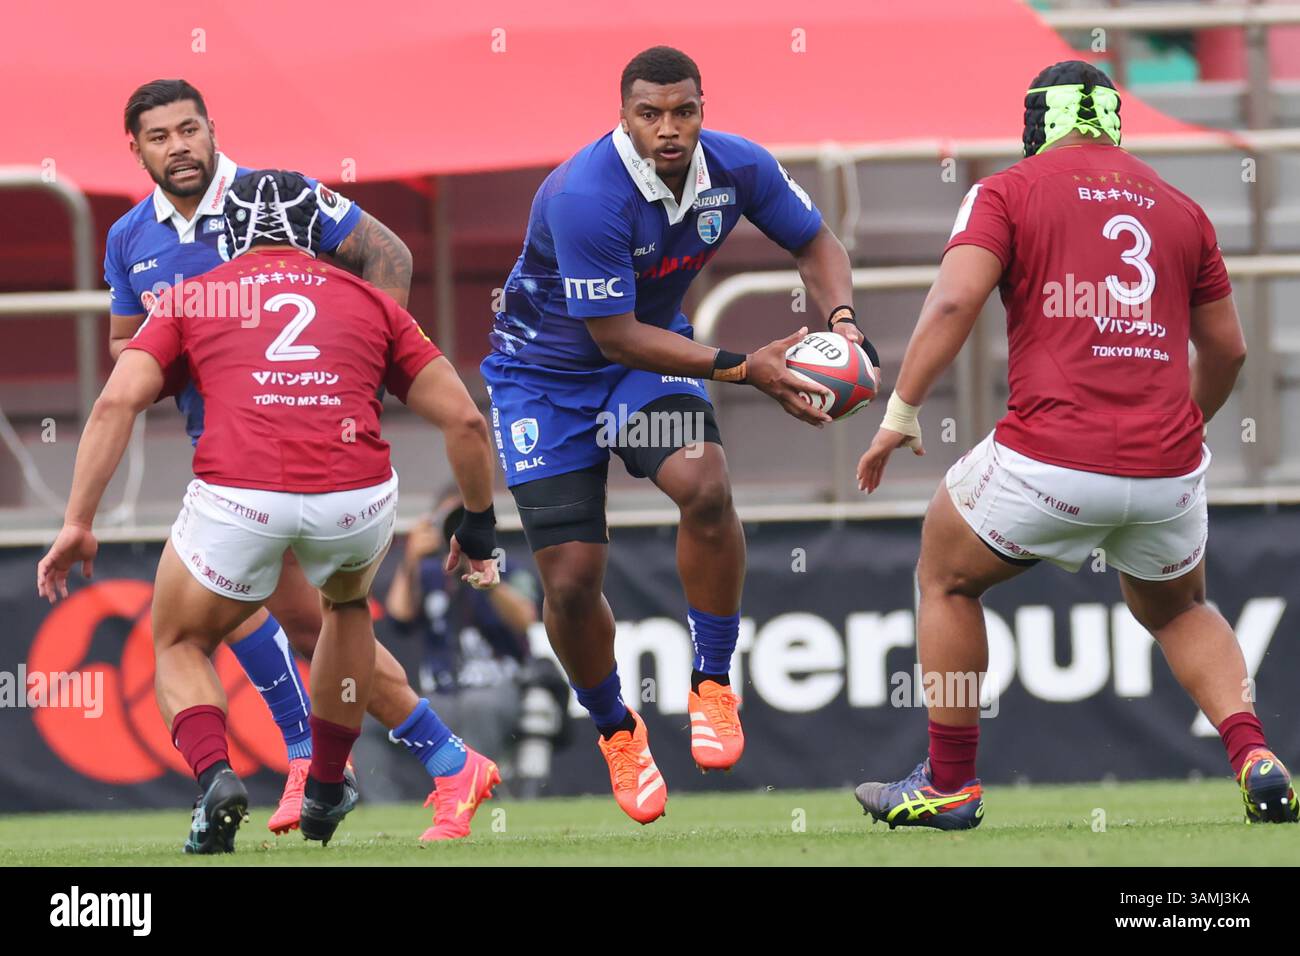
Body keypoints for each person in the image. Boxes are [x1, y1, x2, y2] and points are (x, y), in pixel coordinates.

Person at [853, 60, 1296, 829]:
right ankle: (1255, 754)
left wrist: (902, 410)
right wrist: (1178, 425)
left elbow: (957, 296)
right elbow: (1229, 352)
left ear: (1036, 123)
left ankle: (951, 783)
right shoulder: (1181, 207)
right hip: (1168, 469)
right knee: (1180, 608)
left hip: (1050, 457)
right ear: (1113, 120)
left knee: (948, 575)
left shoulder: (1007, 190)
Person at [39, 170, 503, 852]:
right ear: (318, 236)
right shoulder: (370, 302)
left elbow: (115, 401)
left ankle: (238, 773)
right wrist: (479, 524)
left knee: (182, 636)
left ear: (228, 235)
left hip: (244, 487)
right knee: (338, 613)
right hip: (355, 492)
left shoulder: (196, 294)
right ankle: (330, 775)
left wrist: (79, 521)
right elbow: (465, 421)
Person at [481, 45, 878, 823]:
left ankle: (712, 683)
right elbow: (612, 336)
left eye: (684, 111)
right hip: (546, 383)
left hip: (648, 363)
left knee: (703, 486)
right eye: (649, 113)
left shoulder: (739, 166)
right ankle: (617, 732)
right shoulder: (585, 193)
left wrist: (844, 326)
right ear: (622, 115)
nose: (669, 128)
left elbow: (816, 243)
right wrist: (744, 367)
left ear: (703, 109)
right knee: (567, 582)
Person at [385, 490, 571, 797]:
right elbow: (398, 617)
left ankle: (470, 796)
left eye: (466, 522)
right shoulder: (428, 574)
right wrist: (410, 561)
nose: (459, 534)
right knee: (370, 715)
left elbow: (524, 618)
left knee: (476, 706)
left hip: (499, 689)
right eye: (451, 524)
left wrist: (485, 576)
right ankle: (386, 809)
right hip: (440, 692)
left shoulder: (509, 567)